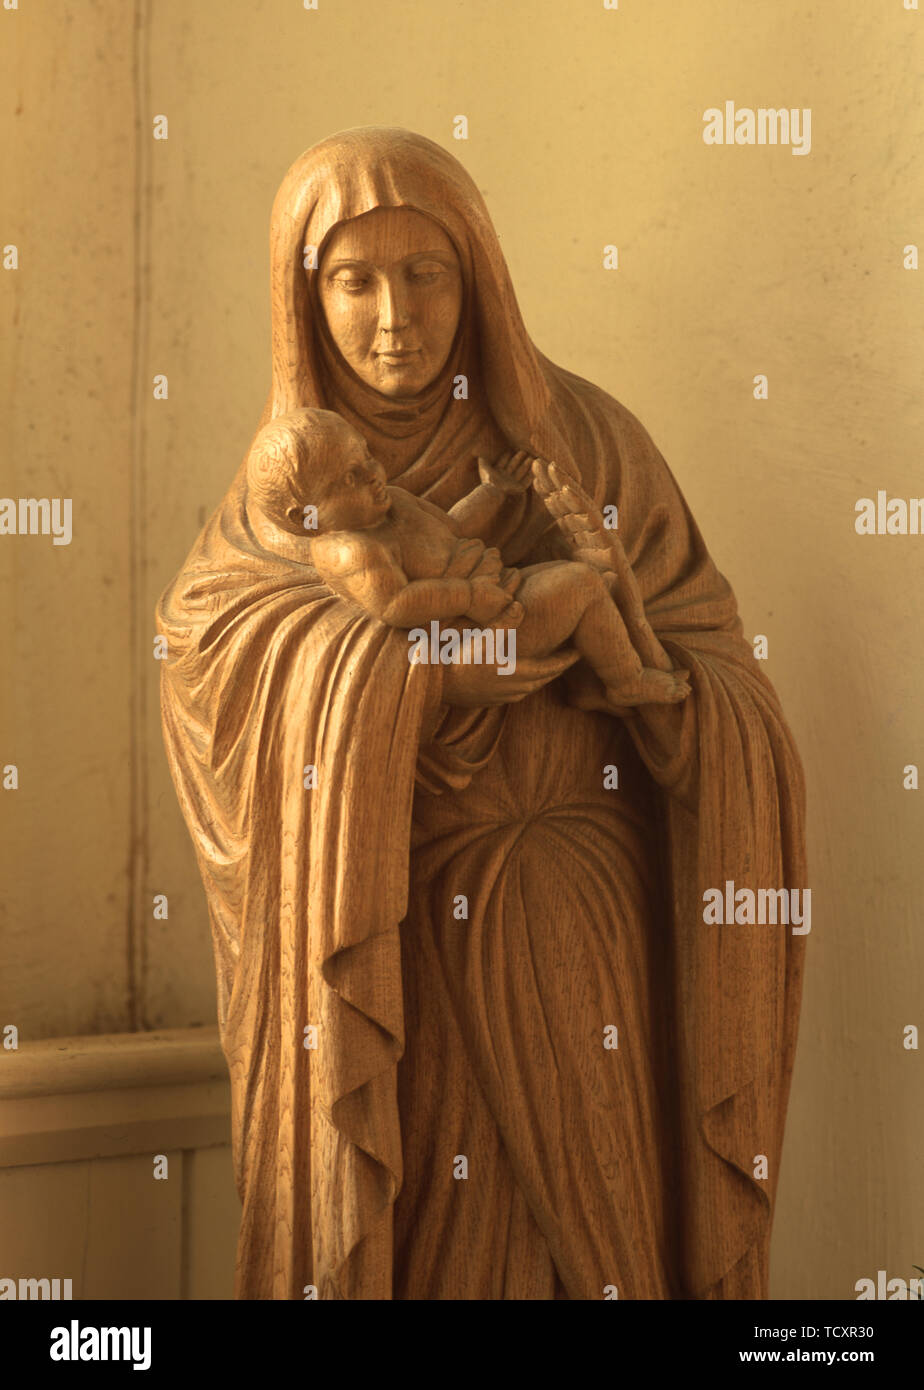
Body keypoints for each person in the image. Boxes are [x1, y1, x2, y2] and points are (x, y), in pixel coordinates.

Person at [157, 127, 807, 1301]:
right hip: (395, 949)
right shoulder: (281, 509)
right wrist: (422, 679)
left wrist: (655, 689)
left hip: (583, 924)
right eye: (355, 281)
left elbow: (725, 683)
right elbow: (216, 673)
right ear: (306, 301)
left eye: (427, 274)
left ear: (481, 280)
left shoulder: (591, 444)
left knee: (605, 1231)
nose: (394, 315)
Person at [244, 406, 691, 707]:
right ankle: (625, 680)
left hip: (499, 596)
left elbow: (450, 528)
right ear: (304, 517)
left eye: (366, 457)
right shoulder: (351, 549)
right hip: (474, 636)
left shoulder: (391, 500)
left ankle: (597, 677)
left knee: (582, 579)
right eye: (348, 480)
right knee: (584, 585)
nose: (373, 475)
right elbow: (396, 605)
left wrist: (493, 492)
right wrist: (466, 598)